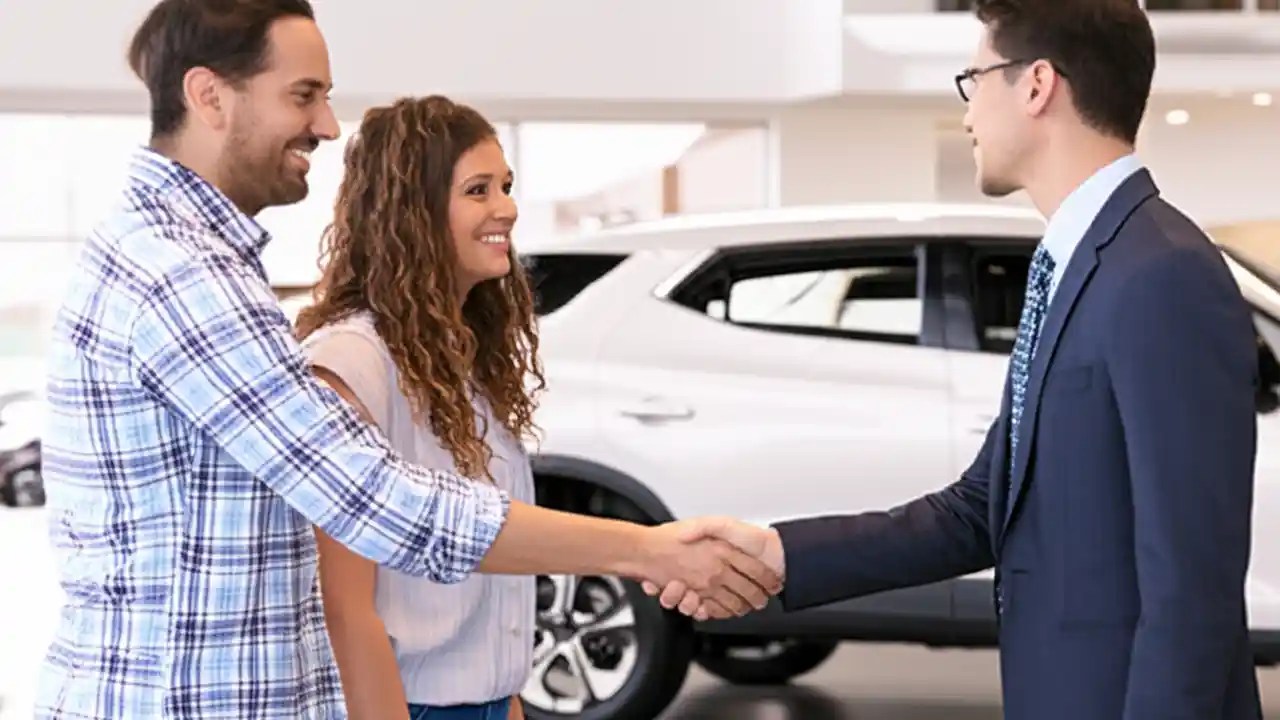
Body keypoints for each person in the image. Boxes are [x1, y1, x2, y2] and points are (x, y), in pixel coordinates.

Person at [34, 2, 780, 718]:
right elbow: (378, 505)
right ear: (209, 96)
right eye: (303, 96)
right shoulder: (180, 275)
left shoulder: (194, 264)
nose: (326, 126)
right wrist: (646, 551)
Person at [658, 1, 1263, 718]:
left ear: (1037, 85)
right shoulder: (1074, 265)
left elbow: (1193, 587)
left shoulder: (1162, 273)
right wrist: (778, 554)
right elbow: (981, 510)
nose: (969, 111)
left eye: (974, 78)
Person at [293, 96, 538, 720]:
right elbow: (344, 609)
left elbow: (490, 591)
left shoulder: (465, 360)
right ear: (414, 212)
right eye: (478, 190)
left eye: (505, 186)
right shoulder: (351, 361)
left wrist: (505, 702)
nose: (505, 208)